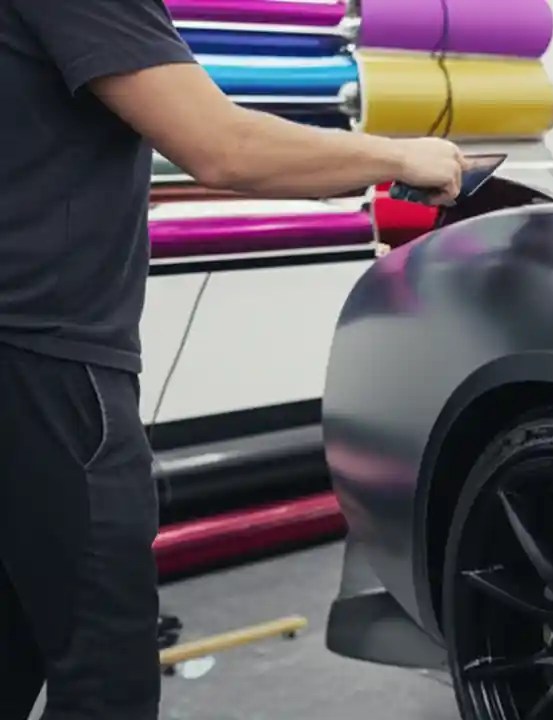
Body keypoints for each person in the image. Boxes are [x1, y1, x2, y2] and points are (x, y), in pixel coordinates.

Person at [0, 1, 464, 717]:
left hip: (28, 354)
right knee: (105, 670)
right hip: (48, 365)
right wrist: (401, 155)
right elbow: (222, 146)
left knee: (19, 636)